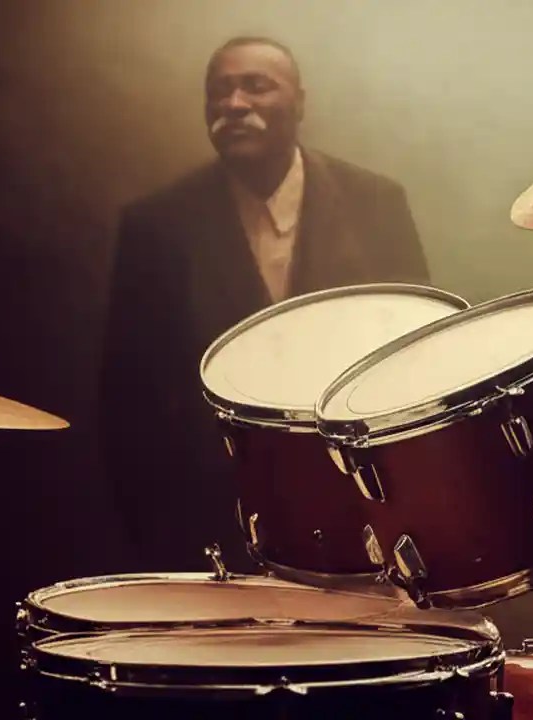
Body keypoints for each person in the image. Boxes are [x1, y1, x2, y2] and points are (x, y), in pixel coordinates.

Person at [99, 36, 430, 572]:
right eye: (219, 91)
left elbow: (417, 362)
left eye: (256, 86)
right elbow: (127, 402)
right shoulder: (156, 227)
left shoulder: (376, 204)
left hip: (366, 514)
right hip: (212, 529)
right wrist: (152, 538)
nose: (234, 104)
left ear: (299, 102)